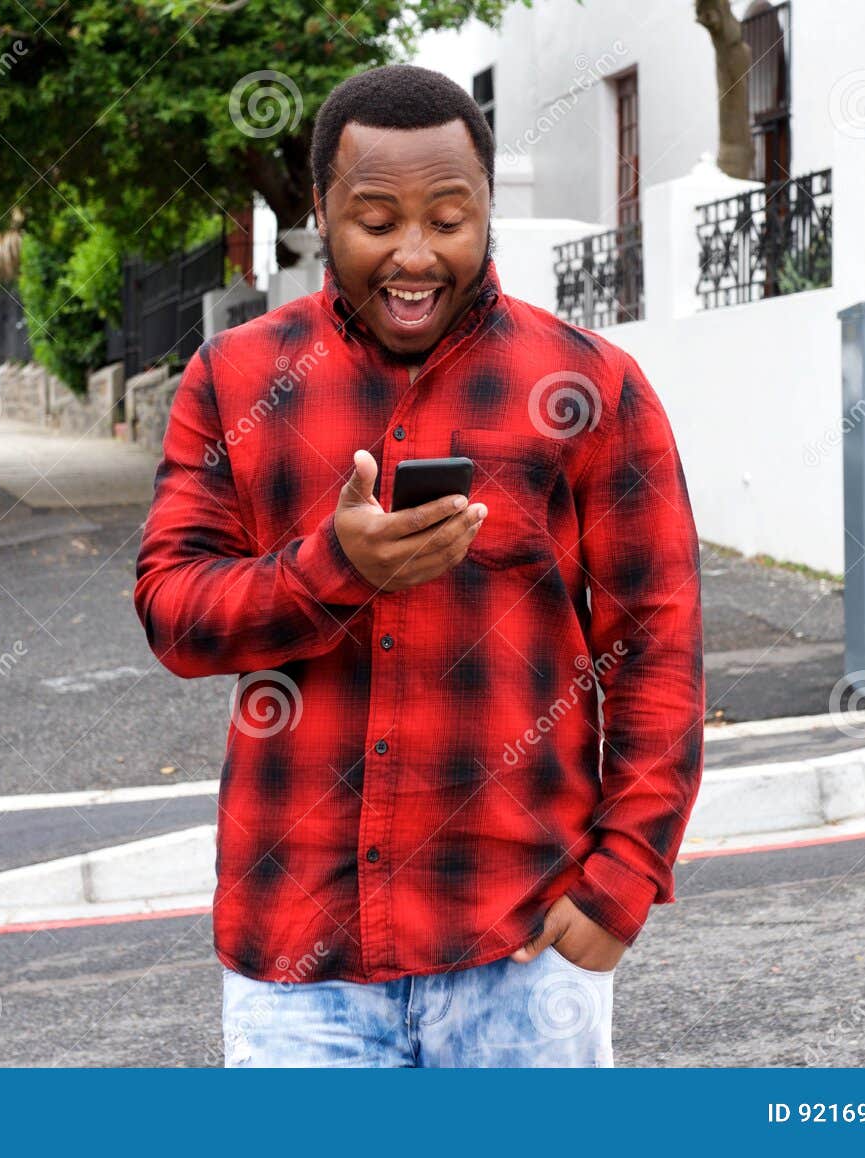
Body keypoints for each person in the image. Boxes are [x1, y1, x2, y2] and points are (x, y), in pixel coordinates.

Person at [134, 64, 705, 1067]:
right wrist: (329, 570)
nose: (414, 253)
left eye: (448, 218)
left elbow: (656, 643)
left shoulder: (590, 387)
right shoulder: (232, 379)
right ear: (320, 214)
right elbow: (174, 613)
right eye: (375, 219)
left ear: (485, 210)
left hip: (522, 951)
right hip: (297, 964)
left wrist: (622, 881)